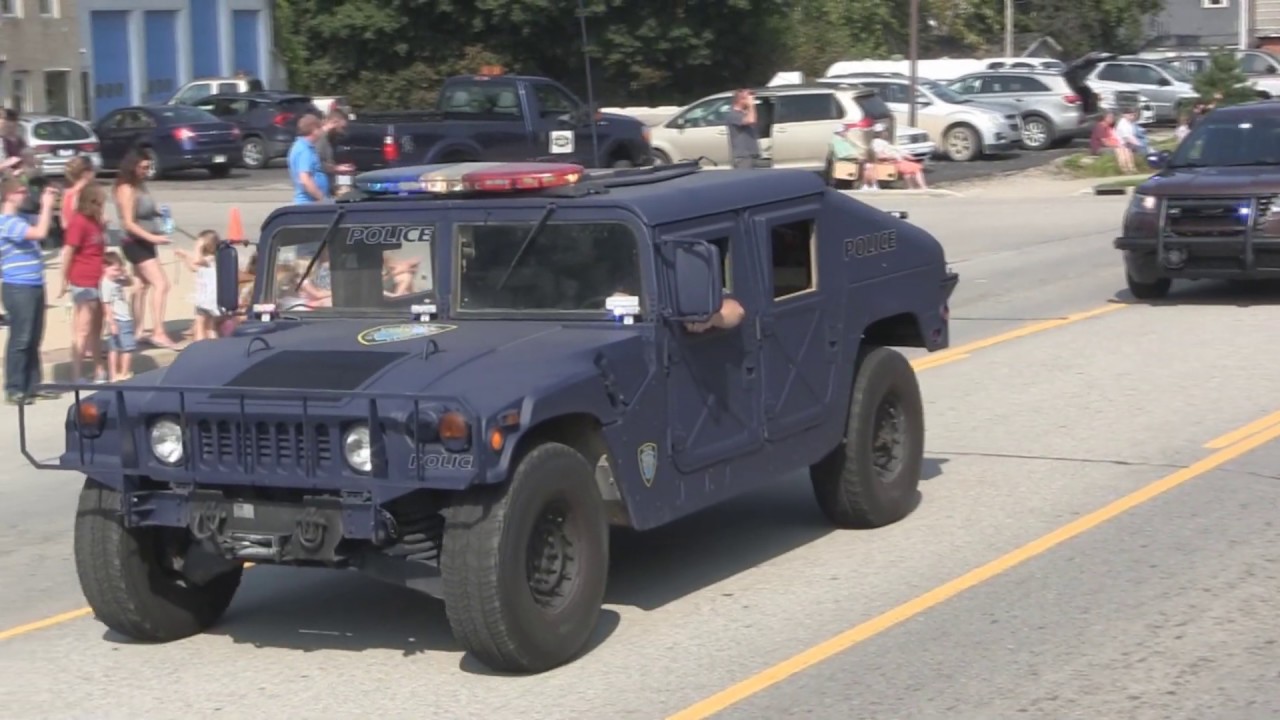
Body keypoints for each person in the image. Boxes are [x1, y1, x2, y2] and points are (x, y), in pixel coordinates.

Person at [1, 175, 59, 405]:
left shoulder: (23, 217)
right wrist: (45, 206)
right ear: (9, 195)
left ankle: (32, 385)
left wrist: (50, 199)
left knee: (34, 338)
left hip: (34, 284)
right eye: (21, 192)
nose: (25, 195)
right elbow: (40, 233)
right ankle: (14, 387)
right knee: (21, 339)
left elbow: (47, 222)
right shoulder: (6, 222)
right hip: (18, 287)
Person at [113, 149, 176, 348]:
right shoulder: (126, 188)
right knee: (161, 284)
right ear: (133, 166)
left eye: (148, 167)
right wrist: (154, 238)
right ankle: (158, 331)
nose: (146, 171)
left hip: (145, 240)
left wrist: (158, 212)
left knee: (141, 285)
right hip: (135, 242)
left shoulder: (139, 185)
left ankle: (138, 330)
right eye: (143, 167)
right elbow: (129, 223)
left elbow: (144, 209)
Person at [58, 181, 109, 384]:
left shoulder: (95, 222)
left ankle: (99, 369)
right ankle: (76, 374)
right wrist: (63, 279)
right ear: (91, 202)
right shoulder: (79, 222)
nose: (102, 207)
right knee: (83, 328)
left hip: (98, 279)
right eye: (99, 203)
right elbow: (69, 252)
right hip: (83, 279)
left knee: (97, 328)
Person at [173, 230, 221, 341]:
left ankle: (200, 348)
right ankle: (215, 347)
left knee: (200, 325)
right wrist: (184, 257)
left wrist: (197, 247)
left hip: (206, 298)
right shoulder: (214, 259)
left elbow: (196, 261)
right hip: (213, 298)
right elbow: (193, 268)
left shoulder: (210, 259)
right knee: (210, 327)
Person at [99, 251, 135, 381]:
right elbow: (106, 305)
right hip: (120, 319)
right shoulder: (106, 284)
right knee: (127, 348)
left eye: (118, 269)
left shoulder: (116, 280)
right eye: (114, 270)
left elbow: (130, 282)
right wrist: (112, 322)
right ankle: (124, 373)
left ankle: (115, 374)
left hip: (122, 318)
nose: (117, 272)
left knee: (114, 348)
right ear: (105, 268)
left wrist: (124, 273)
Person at [288, 114, 330, 204]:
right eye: (320, 128)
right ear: (314, 130)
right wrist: (322, 199)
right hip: (309, 203)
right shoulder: (304, 150)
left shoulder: (305, 147)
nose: (322, 131)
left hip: (312, 202)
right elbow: (305, 180)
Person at [315, 107, 354, 196]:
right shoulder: (320, 138)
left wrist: (338, 167)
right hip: (318, 192)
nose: (343, 131)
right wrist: (336, 168)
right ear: (335, 122)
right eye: (342, 127)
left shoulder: (329, 138)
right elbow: (315, 162)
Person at [726, 89, 761, 170]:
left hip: (751, 153)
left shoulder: (744, 113)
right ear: (741, 100)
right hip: (743, 155)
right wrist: (751, 105)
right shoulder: (733, 114)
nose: (753, 101)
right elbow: (751, 120)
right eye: (750, 99)